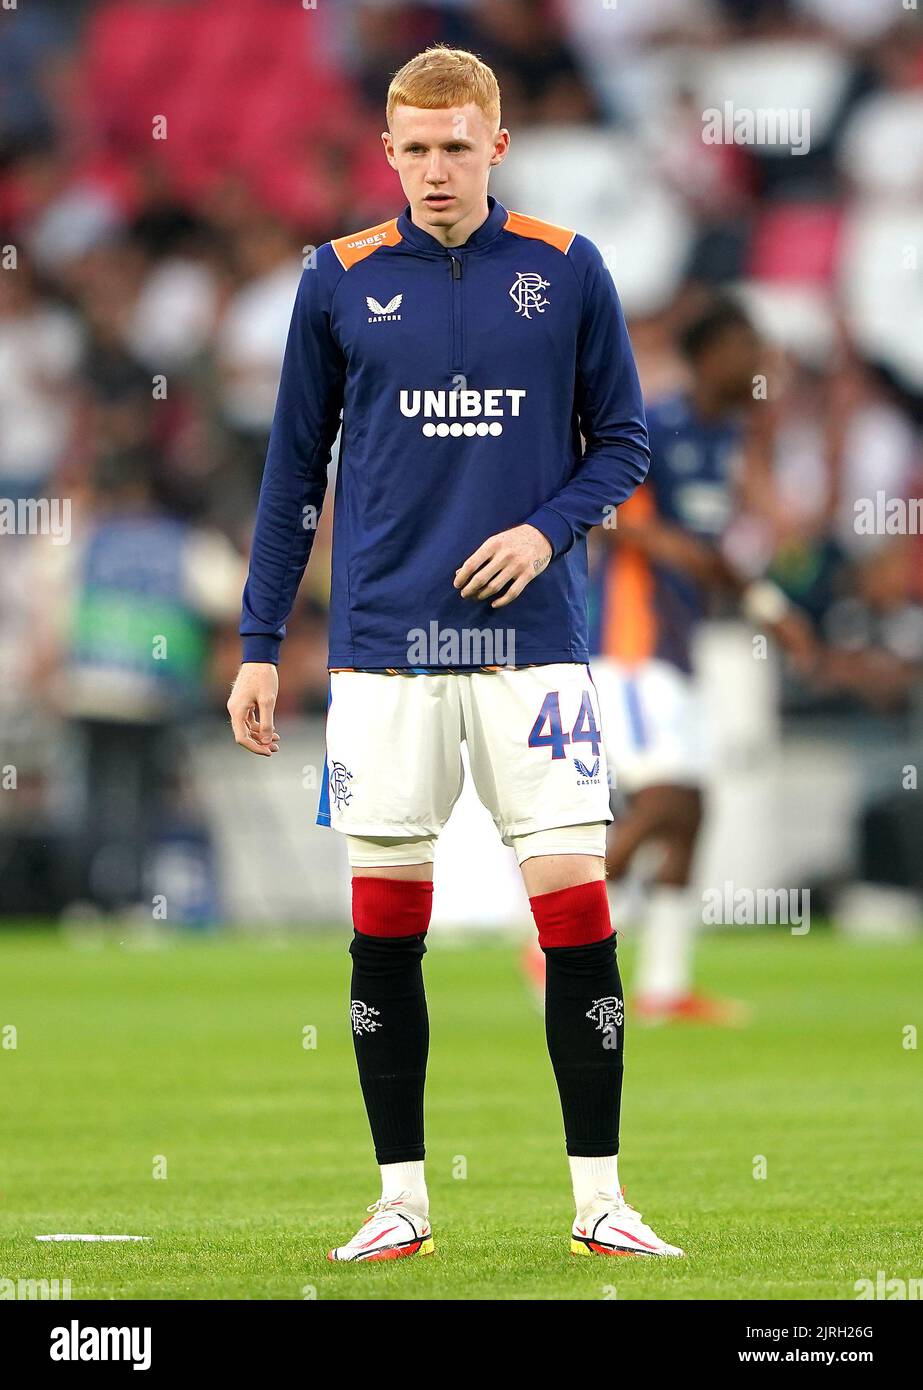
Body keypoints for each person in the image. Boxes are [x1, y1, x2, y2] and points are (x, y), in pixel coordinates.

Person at [228, 46, 683, 1261]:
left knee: (574, 917)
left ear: (496, 147)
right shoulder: (336, 280)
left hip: (531, 652)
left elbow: (625, 444)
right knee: (386, 931)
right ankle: (401, 1200)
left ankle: (601, 1201)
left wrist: (543, 532)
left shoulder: (566, 268)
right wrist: (261, 642)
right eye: (415, 148)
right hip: (382, 656)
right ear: (387, 152)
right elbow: (289, 480)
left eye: (457, 146)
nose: (436, 170)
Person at [586, 299, 815, 1022]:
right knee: (663, 801)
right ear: (712, 355)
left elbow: (715, 554)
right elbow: (606, 512)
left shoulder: (726, 435)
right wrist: (682, 554)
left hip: (678, 646)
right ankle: (558, 934)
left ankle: (662, 986)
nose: (759, 362)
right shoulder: (655, 424)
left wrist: (761, 603)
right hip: (630, 640)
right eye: (748, 346)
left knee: (692, 811)